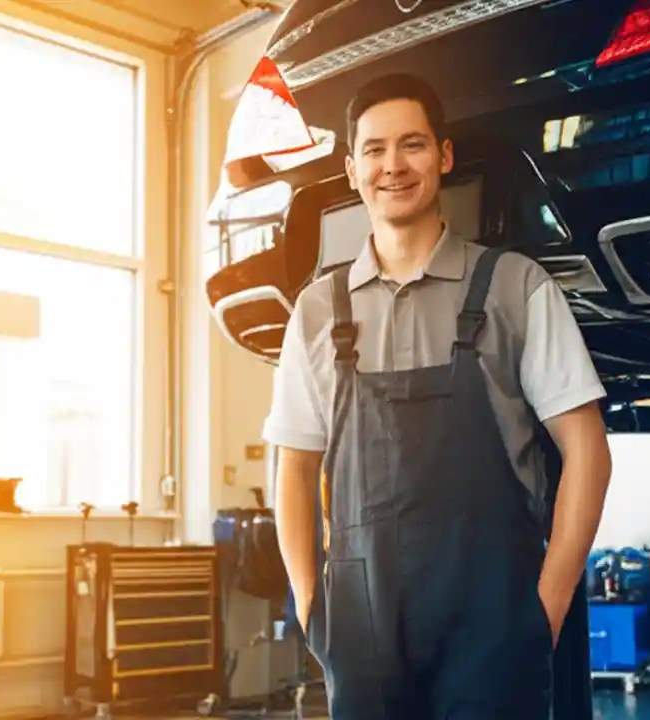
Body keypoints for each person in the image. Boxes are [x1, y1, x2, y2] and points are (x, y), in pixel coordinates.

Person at [263, 72, 613, 719]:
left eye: (412, 145)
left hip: (494, 625)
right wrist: (314, 610)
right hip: (362, 630)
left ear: (444, 156)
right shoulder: (317, 310)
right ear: (351, 168)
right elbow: (295, 466)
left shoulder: (516, 287)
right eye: (373, 150)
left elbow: (586, 447)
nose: (392, 165)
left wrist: (549, 604)